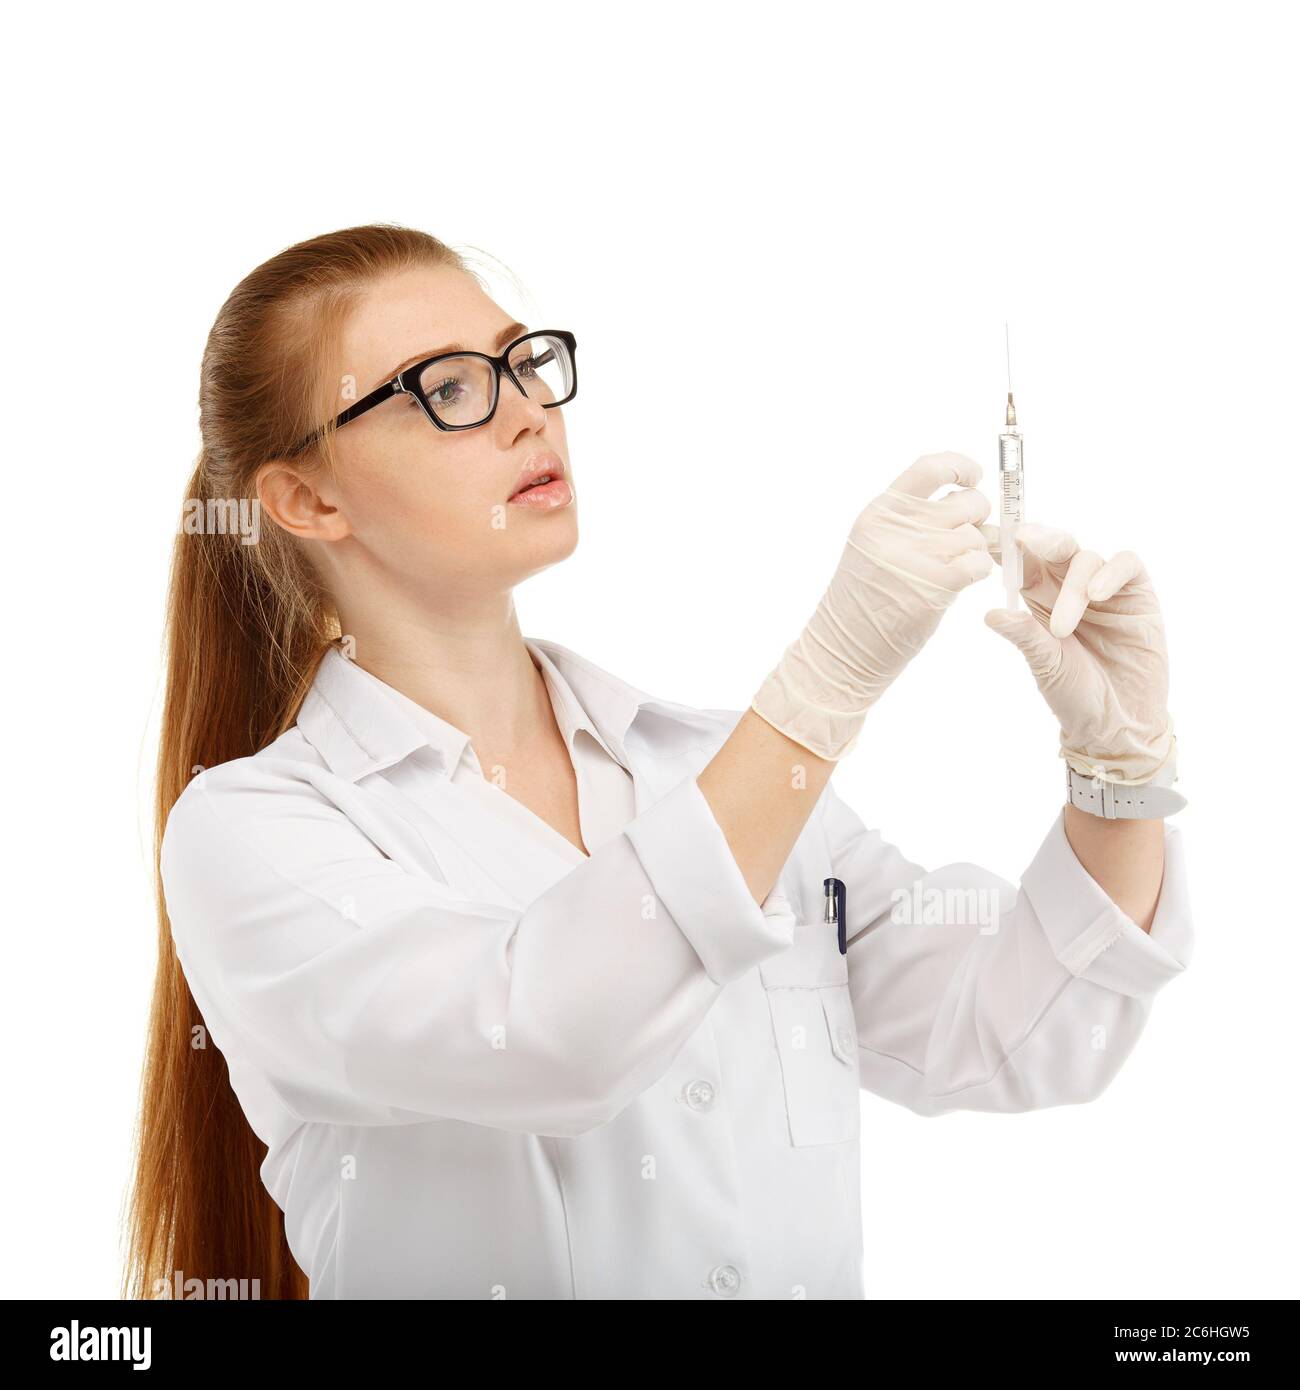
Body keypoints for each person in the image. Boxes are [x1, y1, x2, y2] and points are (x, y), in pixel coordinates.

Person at [125, 223, 1192, 1301]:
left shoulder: (707, 771)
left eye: (523, 360)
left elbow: (1011, 1031)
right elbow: (544, 1035)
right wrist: (819, 689)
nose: (528, 409)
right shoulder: (256, 834)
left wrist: (1118, 765)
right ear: (309, 500)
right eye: (448, 387)